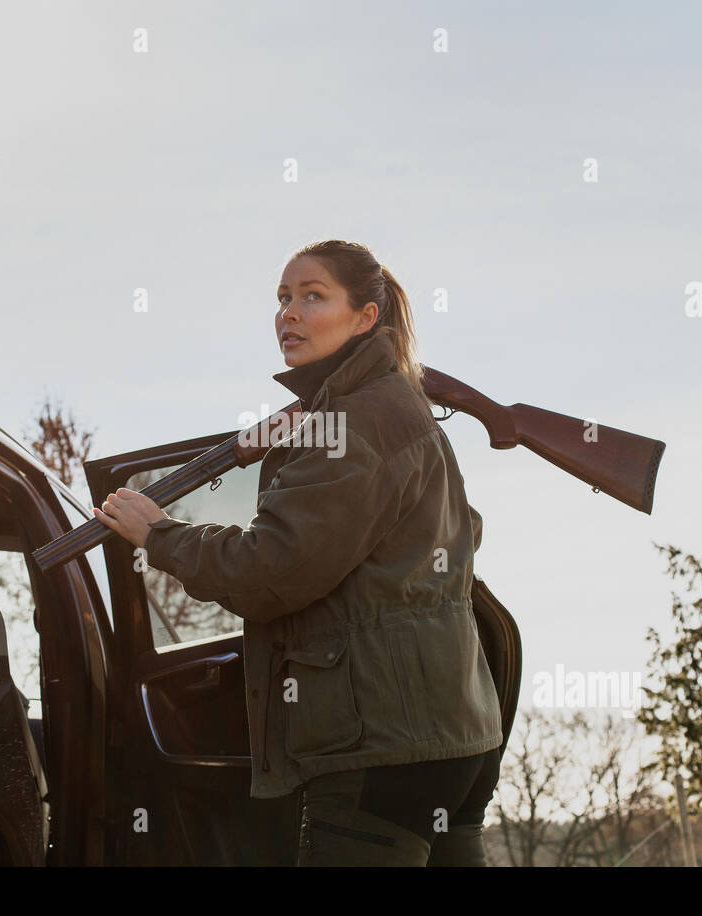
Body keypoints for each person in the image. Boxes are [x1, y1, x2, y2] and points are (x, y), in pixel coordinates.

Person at [93, 239, 503, 866]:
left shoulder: (357, 419)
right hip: (453, 733)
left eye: (313, 296)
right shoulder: (388, 408)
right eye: (283, 298)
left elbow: (275, 570)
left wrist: (159, 534)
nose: (288, 312)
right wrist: (300, 437)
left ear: (366, 316)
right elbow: (454, 534)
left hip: (378, 747)